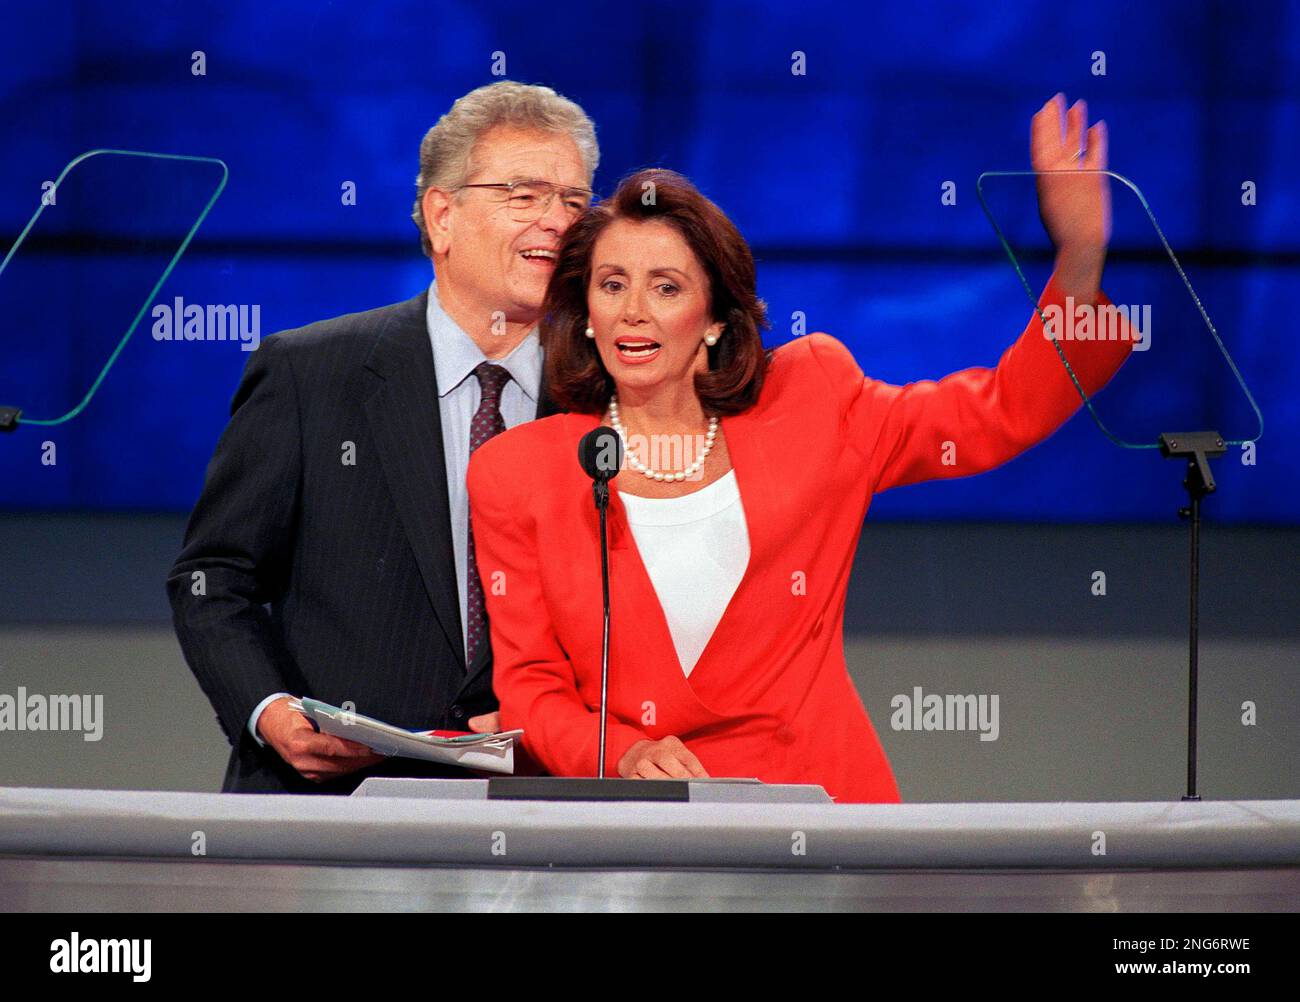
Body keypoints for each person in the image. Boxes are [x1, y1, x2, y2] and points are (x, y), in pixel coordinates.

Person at [466, 93, 1130, 803]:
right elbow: (531, 690)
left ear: (715, 319)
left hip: (823, 819)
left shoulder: (813, 403)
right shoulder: (518, 473)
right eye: (612, 285)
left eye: (666, 287)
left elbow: (997, 415)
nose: (634, 311)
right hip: (639, 827)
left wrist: (1080, 259)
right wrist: (622, 754)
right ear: (588, 315)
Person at [167, 81, 599, 793]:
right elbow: (213, 579)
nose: (557, 222)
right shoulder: (311, 373)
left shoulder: (605, 401)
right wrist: (272, 713)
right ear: (442, 215)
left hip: (543, 809)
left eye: (575, 201)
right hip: (334, 806)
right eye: (524, 196)